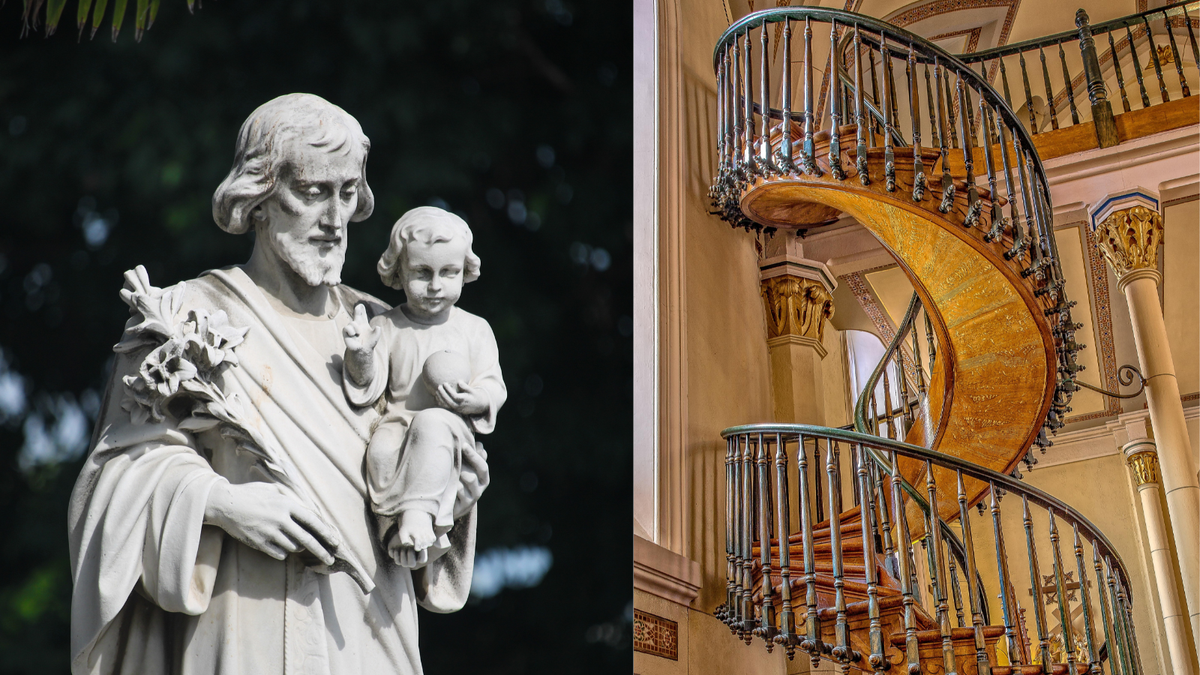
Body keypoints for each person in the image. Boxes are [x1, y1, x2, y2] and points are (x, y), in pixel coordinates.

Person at [67, 93, 488, 675]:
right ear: (257, 198)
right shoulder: (184, 317)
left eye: (347, 193)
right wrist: (225, 504)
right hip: (241, 624)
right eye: (313, 192)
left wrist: (451, 494)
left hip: (367, 632)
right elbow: (114, 482)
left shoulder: (383, 329)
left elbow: (421, 483)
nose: (335, 219)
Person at [341, 208, 505, 569]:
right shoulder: (387, 326)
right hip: (397, 428)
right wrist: (361, 355)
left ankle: (417, 516)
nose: (435, 285)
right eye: (421, 273)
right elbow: (369, 385)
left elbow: (494, 386)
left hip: (448, 433)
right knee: (381, 449)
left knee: (432, 424)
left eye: (449, 273)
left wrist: (474, 398)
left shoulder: (474, 329)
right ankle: (400, 526)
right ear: (398, 273)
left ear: (465, 271)